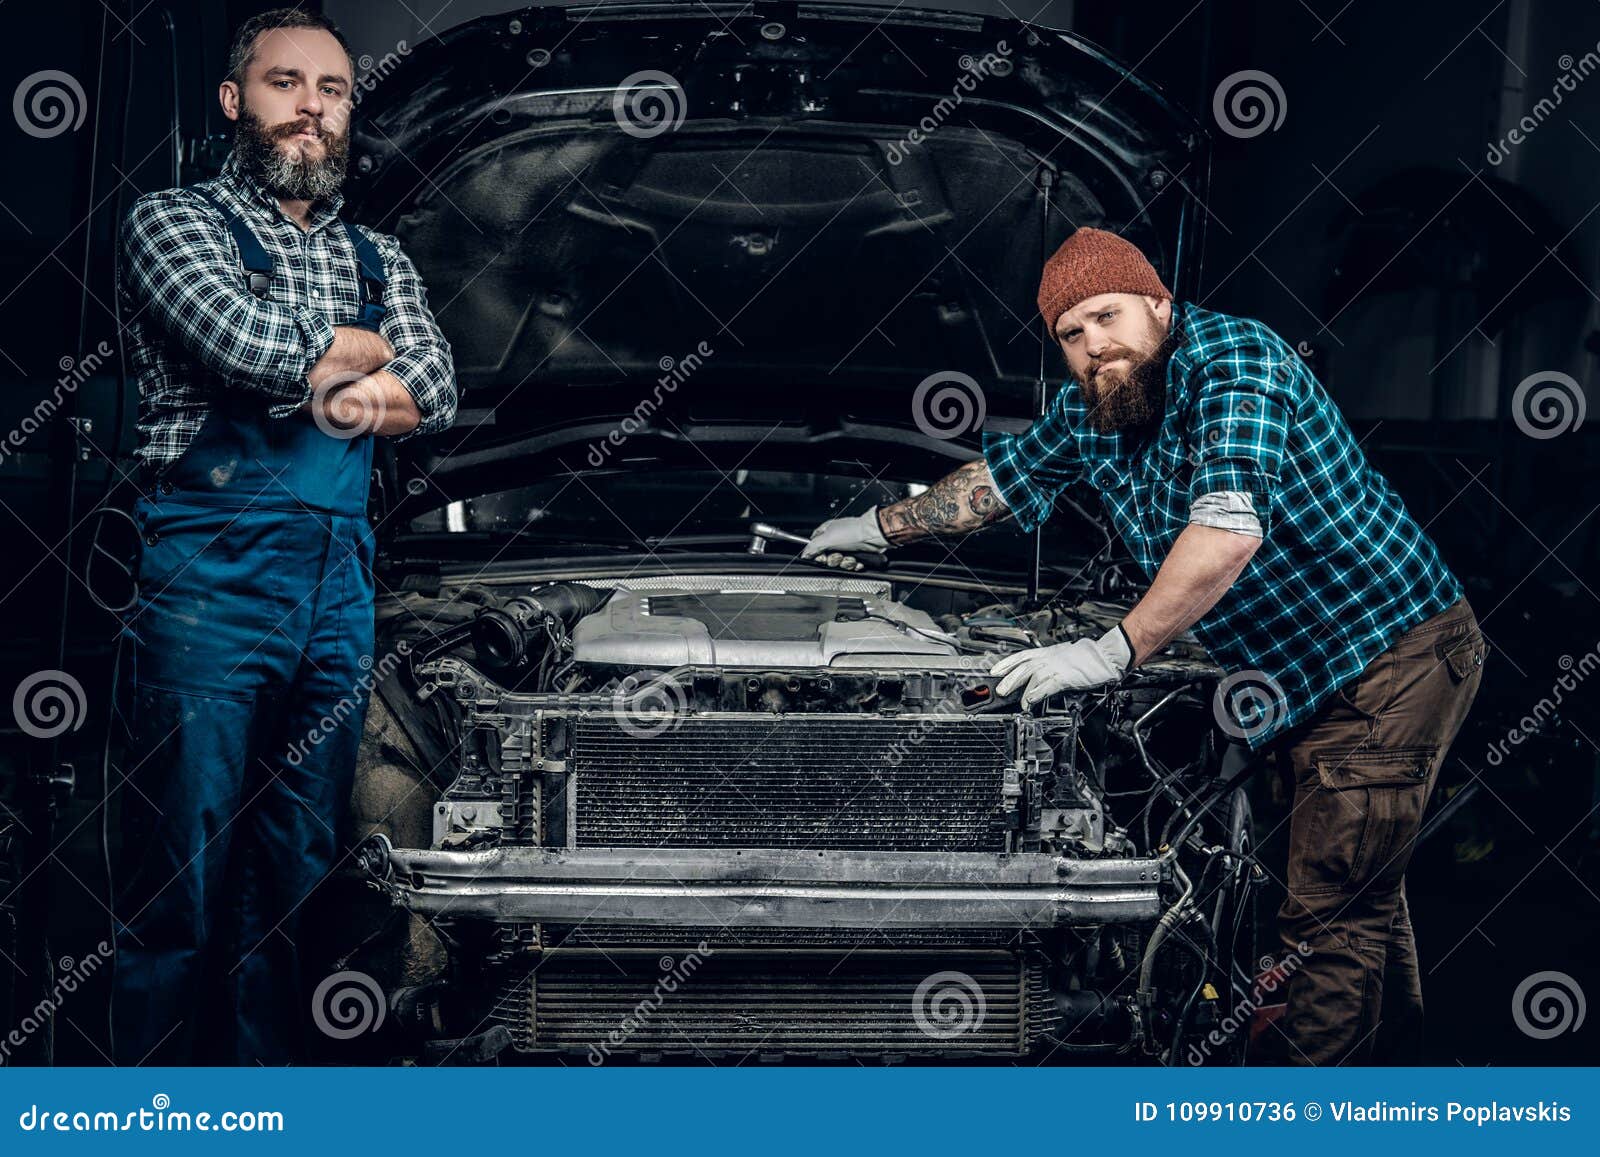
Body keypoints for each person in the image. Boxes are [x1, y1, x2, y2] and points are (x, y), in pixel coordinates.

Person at [802, 226, 1486, 1065]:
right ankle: (1401, 1088)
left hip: (1390, 655)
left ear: (1160, 303)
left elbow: (1228, 531)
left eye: (1108, 314)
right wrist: (879, 526)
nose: (1096, 345)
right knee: (1358, 889)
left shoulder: (1238, 363)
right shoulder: (1096, 408)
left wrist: (1109, 650)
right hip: (1295, 679)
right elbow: (998, 485)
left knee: (1327, 919)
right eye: (1072, 333)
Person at [111, 8, 456, 1064]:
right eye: (285, 83)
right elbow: (244, 347)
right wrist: (353, 356)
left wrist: (327, 382)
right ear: (235, 102)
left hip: (333, 592)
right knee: (184, 875)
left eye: (334, 89)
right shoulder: (172, 223)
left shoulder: (380, 253)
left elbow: (434, 387)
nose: (311, 106)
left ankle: (265, 1103)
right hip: (206, 584)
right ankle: (150, 1115)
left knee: (298, 866)